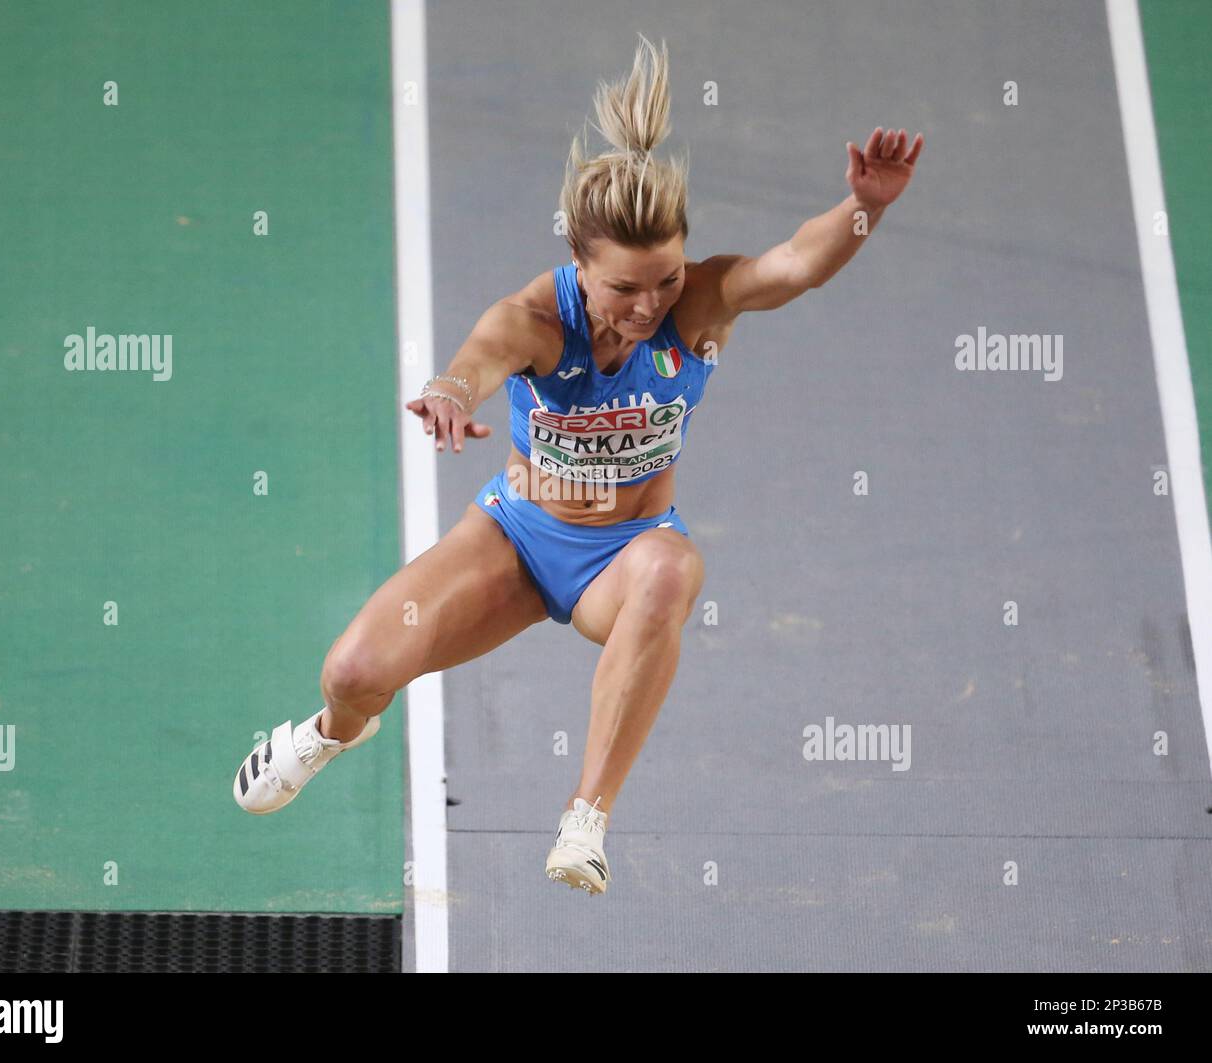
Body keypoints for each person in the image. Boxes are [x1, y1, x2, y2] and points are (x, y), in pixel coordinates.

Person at [232, 33, 923, 896]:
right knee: (354, 674)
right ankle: (333, 733)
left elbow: (796, 263)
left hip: (624, 555)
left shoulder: (702, 299)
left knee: (674, 568)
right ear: (578, 265)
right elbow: (476, 361)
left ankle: (585, 821)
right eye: (624, 288)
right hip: (517, 540)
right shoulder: (534, 317)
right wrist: (450, 393)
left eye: (663, 279)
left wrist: (864, 207)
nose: (647, 306)